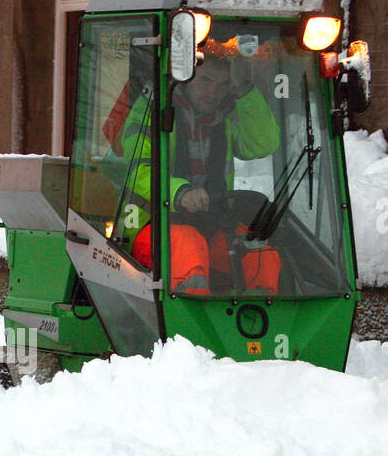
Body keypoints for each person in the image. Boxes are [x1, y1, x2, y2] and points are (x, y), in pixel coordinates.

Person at [119, 52, 281, 294]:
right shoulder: (151, 110)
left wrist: (244, 91)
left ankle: (263, 320)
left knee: (259, 253)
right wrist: (180, 194)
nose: (213, 92)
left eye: (223, 84)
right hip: (152, 225)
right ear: (185, 78)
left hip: (212, 222)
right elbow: (136, 170)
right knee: (188, 246)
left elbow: (264, 143)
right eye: (205, 81)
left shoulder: (227, 115)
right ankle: (188, 328)